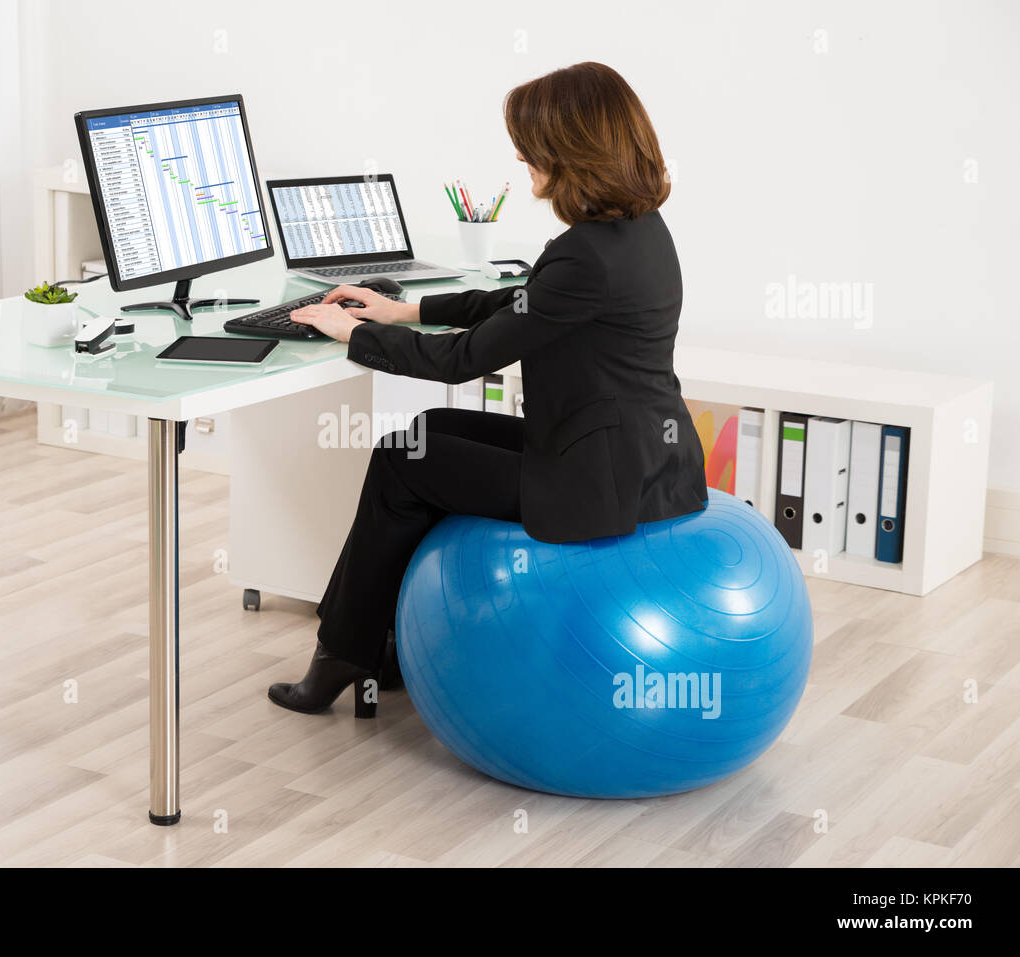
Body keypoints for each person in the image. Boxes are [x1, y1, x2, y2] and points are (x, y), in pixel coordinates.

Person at [269, 61, 708, 718]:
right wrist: (401, 311)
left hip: (598, 485)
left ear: (572, 155)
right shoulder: (635, 232)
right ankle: (373, 642)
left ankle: (344, 650)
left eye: (533, 151)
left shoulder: (585, 254)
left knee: (401, 457)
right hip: (643, 462)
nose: (524, 162)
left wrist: (350, 335)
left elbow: (464, 359)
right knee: (432, 434)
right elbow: (521, 300)